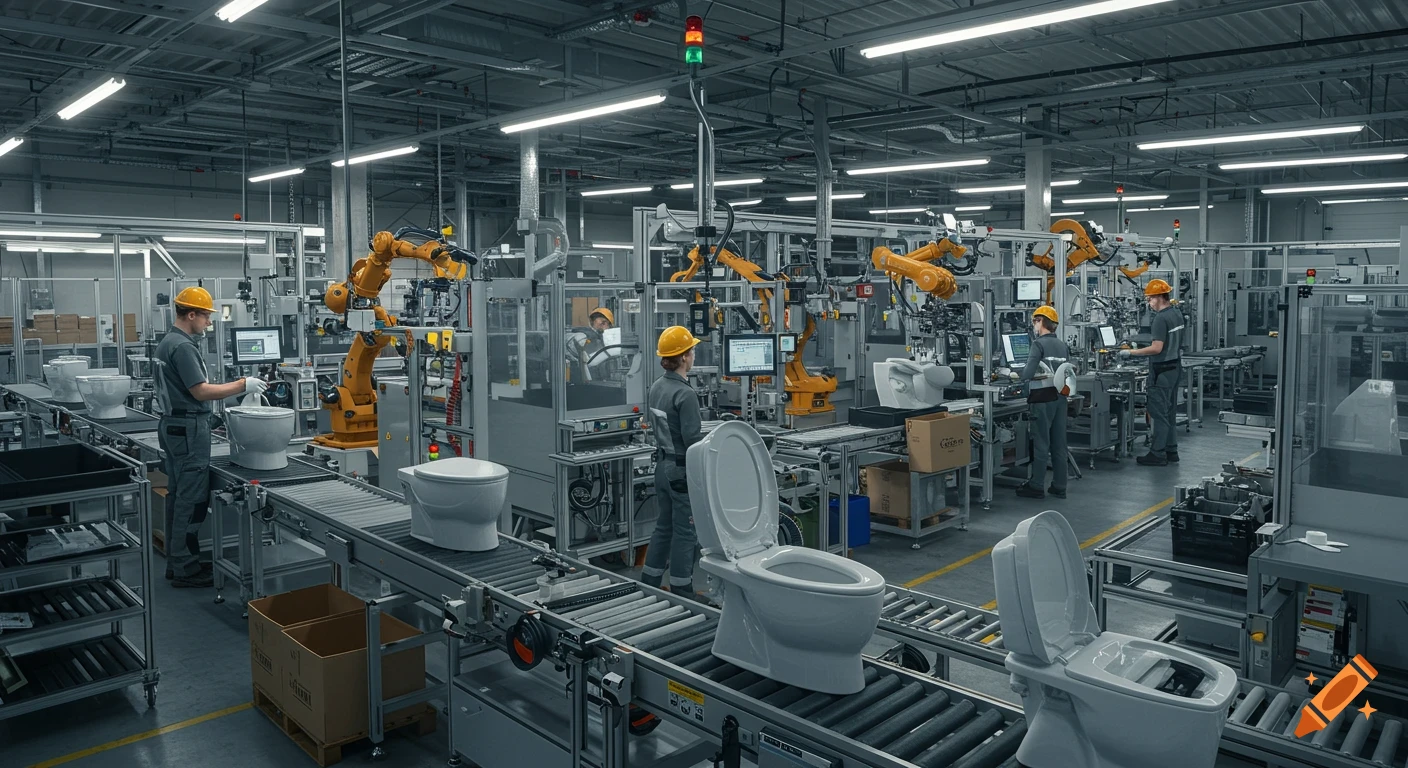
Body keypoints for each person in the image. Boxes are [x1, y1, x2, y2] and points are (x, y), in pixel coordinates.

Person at [155, 286, 267, 587]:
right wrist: (244, 383)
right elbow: (200, 391)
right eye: (206, 317)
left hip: (175, 426)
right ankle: (186, 569)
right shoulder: (183, 347)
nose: (209, 323)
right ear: (190, 314)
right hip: (189, 430)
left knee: (178, 496)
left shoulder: (168, 342)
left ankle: (177, 560)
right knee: (190, 499)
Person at [641, 325, 703, 596]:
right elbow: (693, 442)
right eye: (692, 351)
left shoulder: (657, 386)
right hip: (680, 471)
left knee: (664, 527)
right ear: (685, 357)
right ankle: (682, 590)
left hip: (662, 468)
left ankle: (648, 583)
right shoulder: (686, 394)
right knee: (686, 532)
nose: (694, 355)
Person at [1120, 279, 1185, 466]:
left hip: (1161, 371)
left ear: (1158, 297)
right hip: (1174, 368)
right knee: (1170, 412)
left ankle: (1157, 453)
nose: (1149, 303)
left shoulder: (1160, 319)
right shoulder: (1177, 314)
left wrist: (1131, 352)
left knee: (1158, 414)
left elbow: (1156, 348)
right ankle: (1171, 450)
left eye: (1149, 299)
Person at [1015, 305, 1071, 499]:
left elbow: (1028, 373)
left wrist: (1013, 375)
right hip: (1060, 398)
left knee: (1041, 442)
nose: (1034, 326)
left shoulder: (1038, 344)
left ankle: (1037, 484)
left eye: (1035, 322)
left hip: (1042, 398)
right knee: (1059, 444)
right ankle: (1059, 485)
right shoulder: (1063, 345)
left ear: (1041, 322)